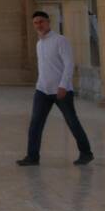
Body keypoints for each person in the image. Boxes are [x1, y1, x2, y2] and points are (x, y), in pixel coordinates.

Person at [18, 11, 93, 167]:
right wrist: (40, 84)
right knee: (35, 124)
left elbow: (69, 64)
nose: (39, 25)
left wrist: (63, 85)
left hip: (61, 91)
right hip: (42, 90)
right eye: (36, 23)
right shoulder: (39, 43)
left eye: (41, 22)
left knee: (72, 122)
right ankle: (32, 157)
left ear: (48, 22)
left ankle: (86, 153)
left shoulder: (61, 40)